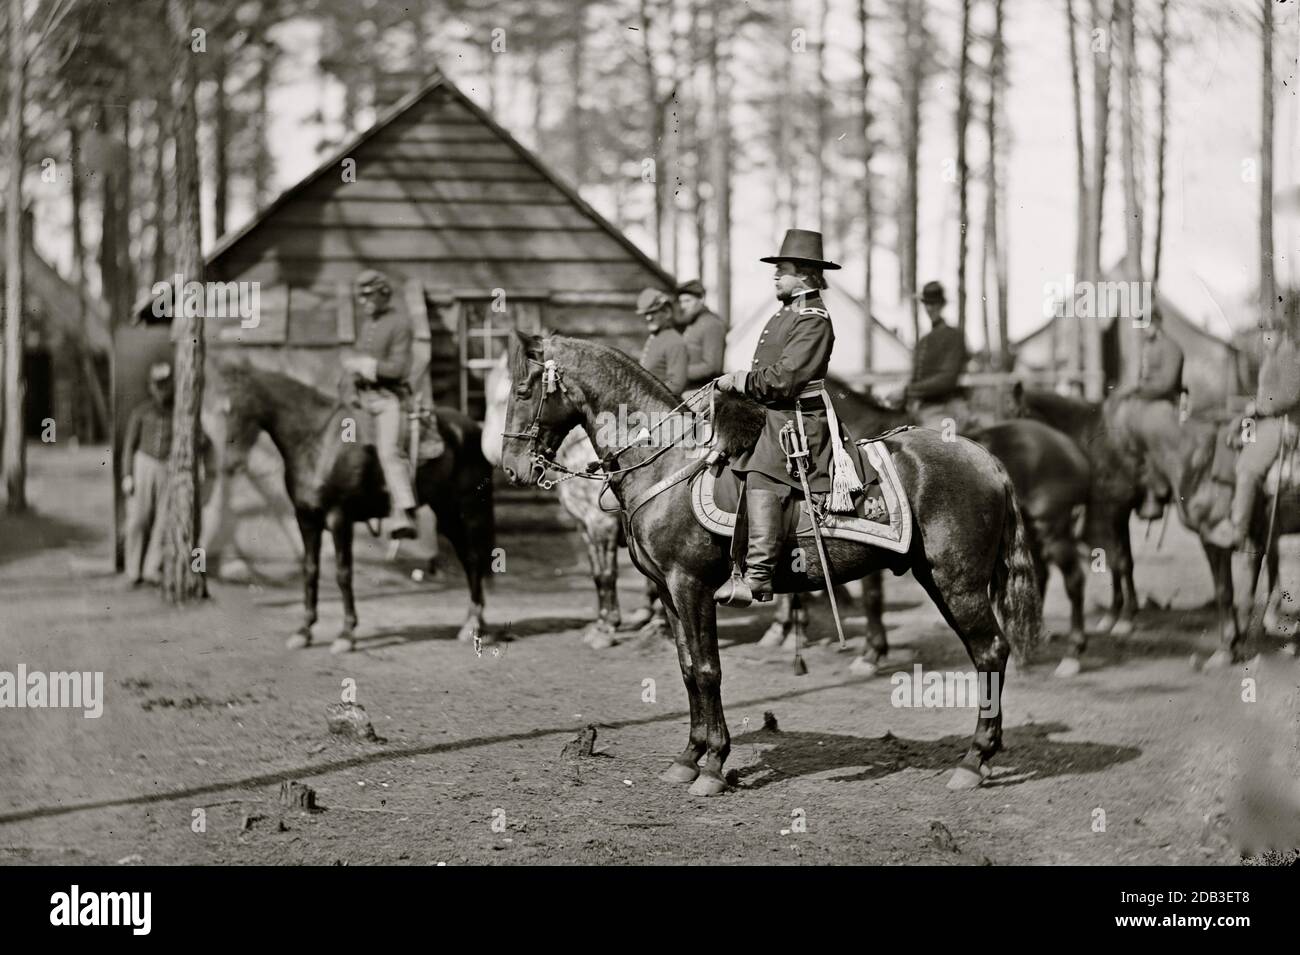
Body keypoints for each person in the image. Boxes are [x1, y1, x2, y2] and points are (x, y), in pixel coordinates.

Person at [713, 228, 860, 608]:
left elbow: (785, 378)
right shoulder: (788, 312)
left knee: (763, 467)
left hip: (798, 420)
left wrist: (741, 381)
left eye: (784, 270)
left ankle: (758, 575)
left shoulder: (813, 319)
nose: (775, 276)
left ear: (807, 276)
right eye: (776, 270)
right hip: (776, 412)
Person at [343, 269, 428, 540]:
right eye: (362, 297)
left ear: (383, 295)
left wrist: (365, 365)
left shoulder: (400, 324)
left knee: (390, 452)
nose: (365, 302)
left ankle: (404, 511)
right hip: (362, 399)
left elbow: (398, 369)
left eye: (370, 296)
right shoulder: (368, 325)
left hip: (388, 400)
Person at [1207, 327, 1299, 549]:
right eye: (1264, 331)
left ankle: (1238, 529)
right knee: (1228, 439)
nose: (1265, 337)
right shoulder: (1271, 355)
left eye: (1270, 331)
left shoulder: (1288, 354)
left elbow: (1290, 395)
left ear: (1281, 332)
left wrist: (1259, 406)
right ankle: (1229, 507)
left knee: (1248, 467)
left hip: (1284, 423)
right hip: (1266, 419)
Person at [1116, 309, 1184, 519]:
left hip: (1164, 403)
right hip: (1146, 401)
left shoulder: (1172, 348)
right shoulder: (1147, 347)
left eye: (1147, 324)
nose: (1144, 330)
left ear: (1157, 323)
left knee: (1147, 430)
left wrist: (1138, 391)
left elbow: (1166, 384)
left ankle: (1155, 491)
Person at [121, 362, 174, 586]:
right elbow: (128, 446)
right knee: (137, 519)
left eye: (165, 385)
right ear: (151, 386)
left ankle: (152, 568)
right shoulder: (141, 412)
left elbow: (201, 439)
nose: (162, 390)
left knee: (163, 521)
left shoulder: (179, 413)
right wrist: (127, 475)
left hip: (166, 467)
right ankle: (133, 571)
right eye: (158, 385)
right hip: (143, 464)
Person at [903, 281, 969, 429]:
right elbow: (915, 376)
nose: (930, 308)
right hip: (921, 409)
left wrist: (907, 390)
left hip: (947, 409)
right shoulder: (923, 342)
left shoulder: (954, 336)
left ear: (942, 305)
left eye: (935, 304)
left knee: (936, 445)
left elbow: (947, 380)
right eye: (927, 304)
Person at [675, 279, 727, 391]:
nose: (683, 306)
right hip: (688, 388)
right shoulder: (692, 323)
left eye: (687, 301)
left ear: (701, 298)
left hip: (704, 392)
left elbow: (712, 367)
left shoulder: (712, 325)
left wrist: (678, 372)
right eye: (681, 301)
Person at [637, 288, 688, 396]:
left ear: (667, 312)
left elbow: (676, 385)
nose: (649, 317)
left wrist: (646, 396)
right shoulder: (655, 337)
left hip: (661, 407)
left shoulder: (675, 341)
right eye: (646, 313)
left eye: (654, 312)